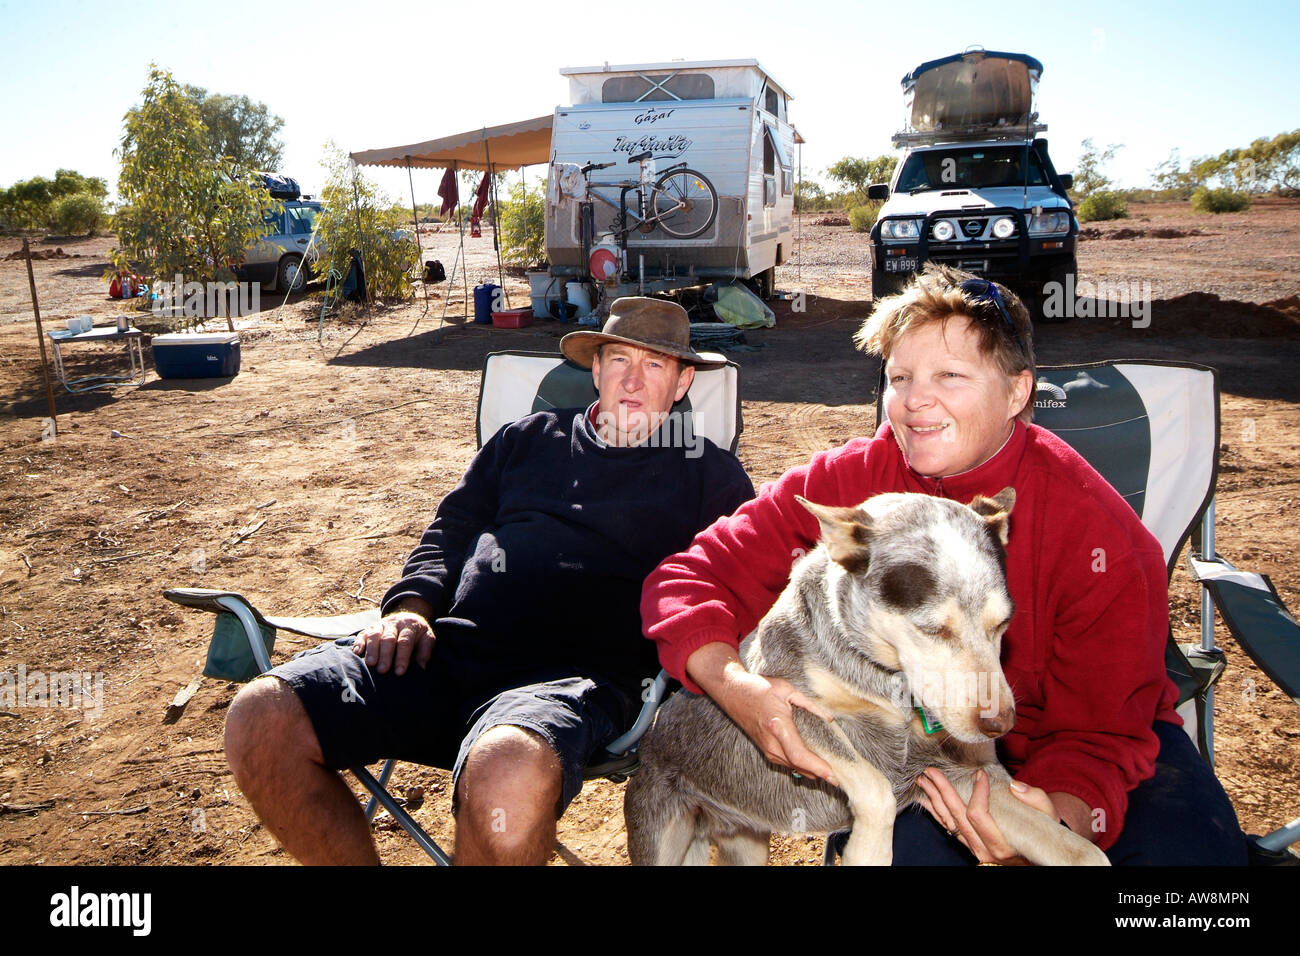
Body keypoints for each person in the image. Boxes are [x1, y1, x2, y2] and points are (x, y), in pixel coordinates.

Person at [640, 265, 1247, 865]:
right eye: (899, 377)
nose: (914, 402)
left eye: (950, 375)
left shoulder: (1101, 535)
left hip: (1079, 745)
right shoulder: (852, 487)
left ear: (1017, 392)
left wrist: (1060, 814)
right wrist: (737, 688)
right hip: (918, 750)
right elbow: (688, 581)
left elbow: (1106, 729)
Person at [224, 297, 754, 865]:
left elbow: (741, 584)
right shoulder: (526, 440)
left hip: (573, 683)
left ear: (682, 382)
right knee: (262, 717)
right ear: (595, 370)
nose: (632, 380)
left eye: (654, 365)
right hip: (447, 655)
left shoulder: (708, 475)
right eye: (619, 359)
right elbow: (453, 528)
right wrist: (411, 607)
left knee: (505, 773)